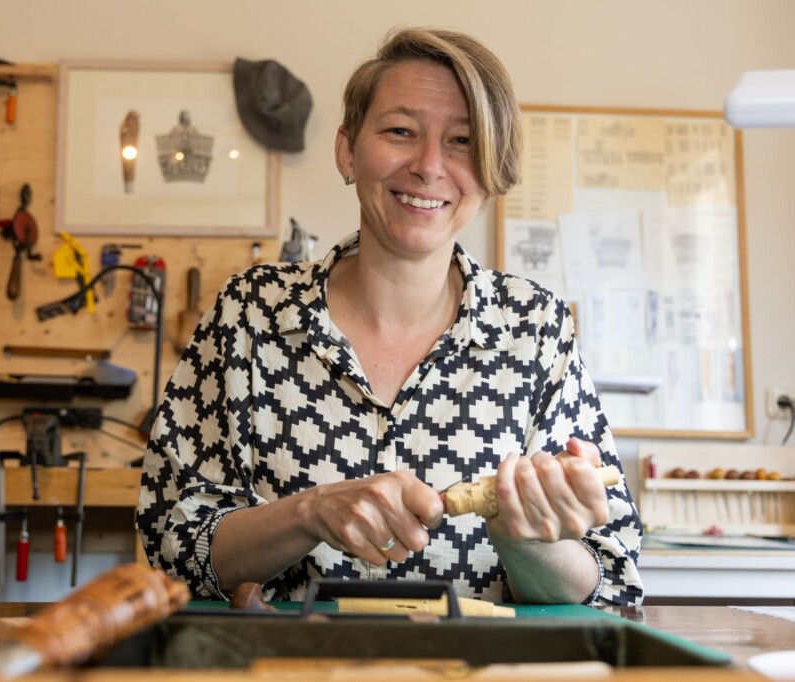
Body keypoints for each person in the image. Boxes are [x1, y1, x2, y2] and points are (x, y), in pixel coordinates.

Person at [137, 27, 643, 606]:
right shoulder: (251, 313)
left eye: (461, 140)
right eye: (401, 131)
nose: (429, 166)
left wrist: (522, 539)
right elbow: (171, 541)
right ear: (347, 149)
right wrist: (308, 512)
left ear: (489, 167)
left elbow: (611, 583)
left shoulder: (536, 329)